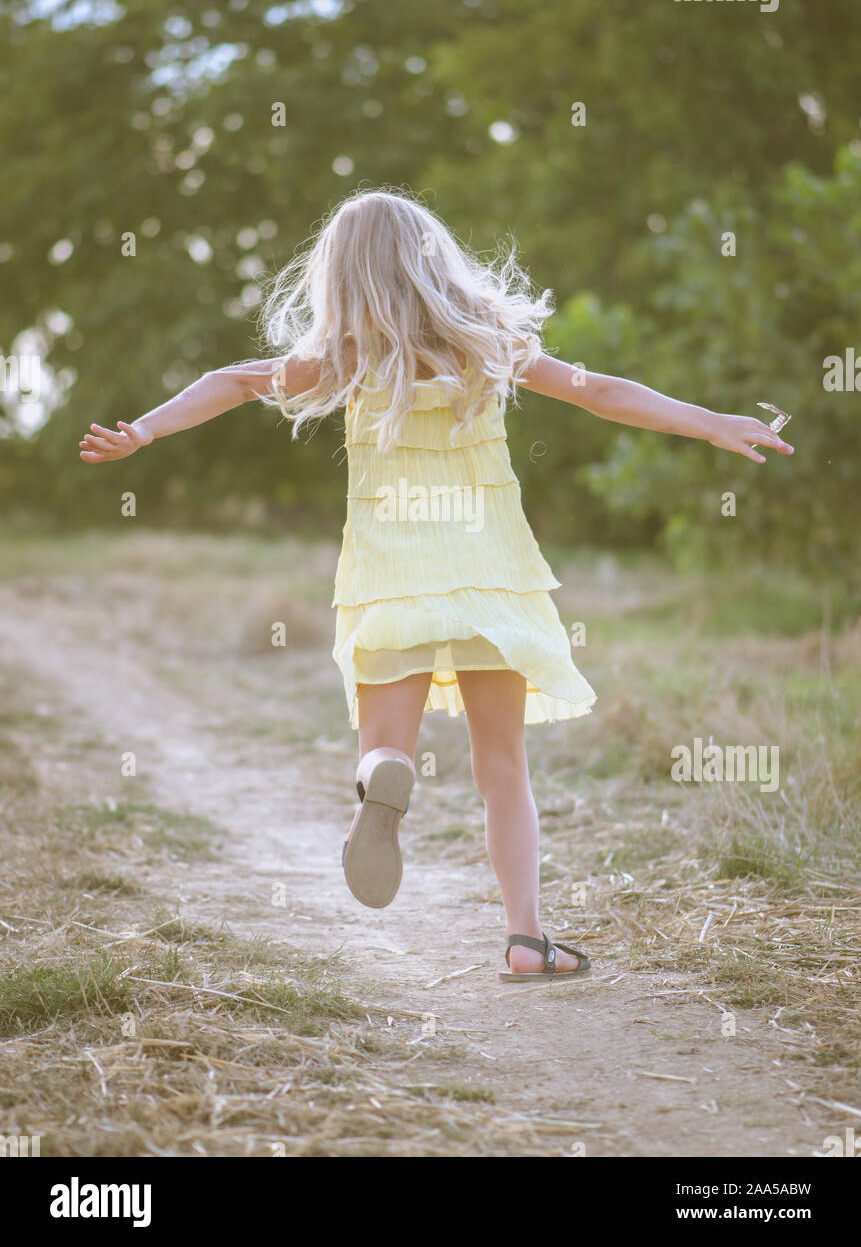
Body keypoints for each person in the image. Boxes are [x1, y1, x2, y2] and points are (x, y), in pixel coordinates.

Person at [80, 188, 794, 982]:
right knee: (503, 769)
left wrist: (142, 430)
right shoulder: (486, 345)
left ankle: (381, 783)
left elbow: (233, 379)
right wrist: (711, 423)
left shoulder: (345, 360)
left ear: (339, 277)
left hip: (391, 581)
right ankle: (526, 940)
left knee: (383, 745)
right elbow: (600, 391)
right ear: (436, 260)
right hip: (489, 578)